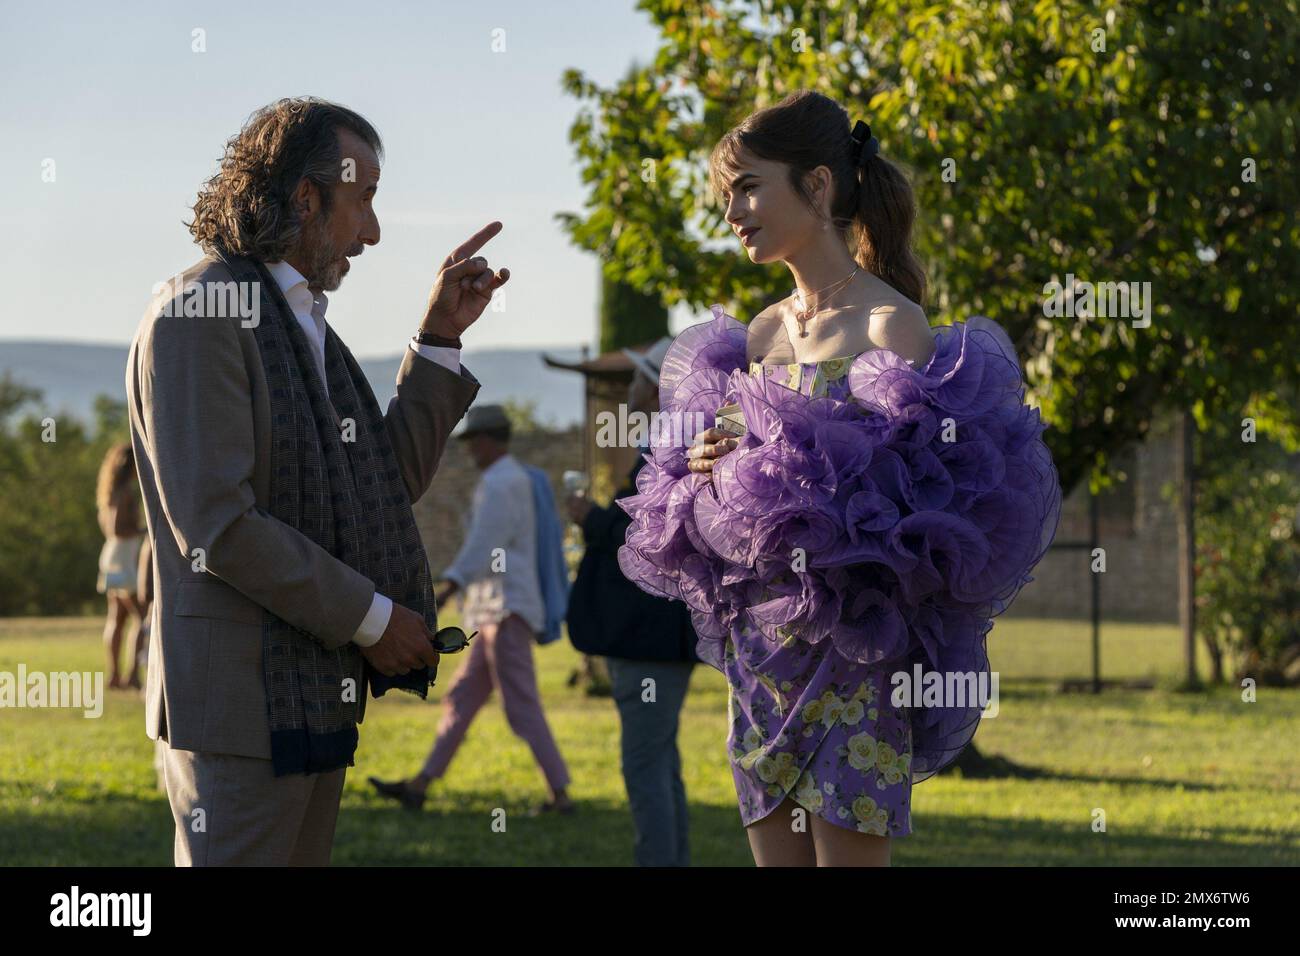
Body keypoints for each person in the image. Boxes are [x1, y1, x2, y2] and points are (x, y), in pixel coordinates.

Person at [615, 90, 1061, 867]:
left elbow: (937, 507)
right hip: (760, 659)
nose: (733, 211)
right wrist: (707, 467)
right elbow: (712, 485)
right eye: (728, 194)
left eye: (749, 186)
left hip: (855, 657)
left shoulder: (894, 328)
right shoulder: (754, 336)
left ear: (817, 186)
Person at [127, 97, 506, 865]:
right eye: (362, 200)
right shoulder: (200, 311)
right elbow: (219, 525)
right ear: (306, 198)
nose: (371, 231)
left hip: (312, 695)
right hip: (239, 714)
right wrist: (374, 620)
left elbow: (380, 483)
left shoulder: (301, 321)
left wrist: (438, 339)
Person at [368, 404, 574, 816]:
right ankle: (420, 785)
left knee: (521, 705)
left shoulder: (502, 483)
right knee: (461, 699)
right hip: (492, 612)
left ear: (486, 440)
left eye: (471, 442)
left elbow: (485, 545)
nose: (468, 451)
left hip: (504, 609)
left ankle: (561, 795)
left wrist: (448, 588)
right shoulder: (507, 480)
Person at [565, 337, 700, 867]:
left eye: (639, 378)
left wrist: (591, 519)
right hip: (662, 634)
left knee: (645, 764)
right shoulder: (676, 442)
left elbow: (641, 534)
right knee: (660, 760)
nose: (632, 389)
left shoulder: (665, 446)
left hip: (645, 634)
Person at [95, 443, 146, 690]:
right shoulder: (125, 493)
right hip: (125, 557)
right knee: (141, 616)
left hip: (112, 555)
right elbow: (117, 529)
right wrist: (143, 530)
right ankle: (132, 675)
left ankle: (115, 675)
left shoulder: (109, 493)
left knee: (117, 617)